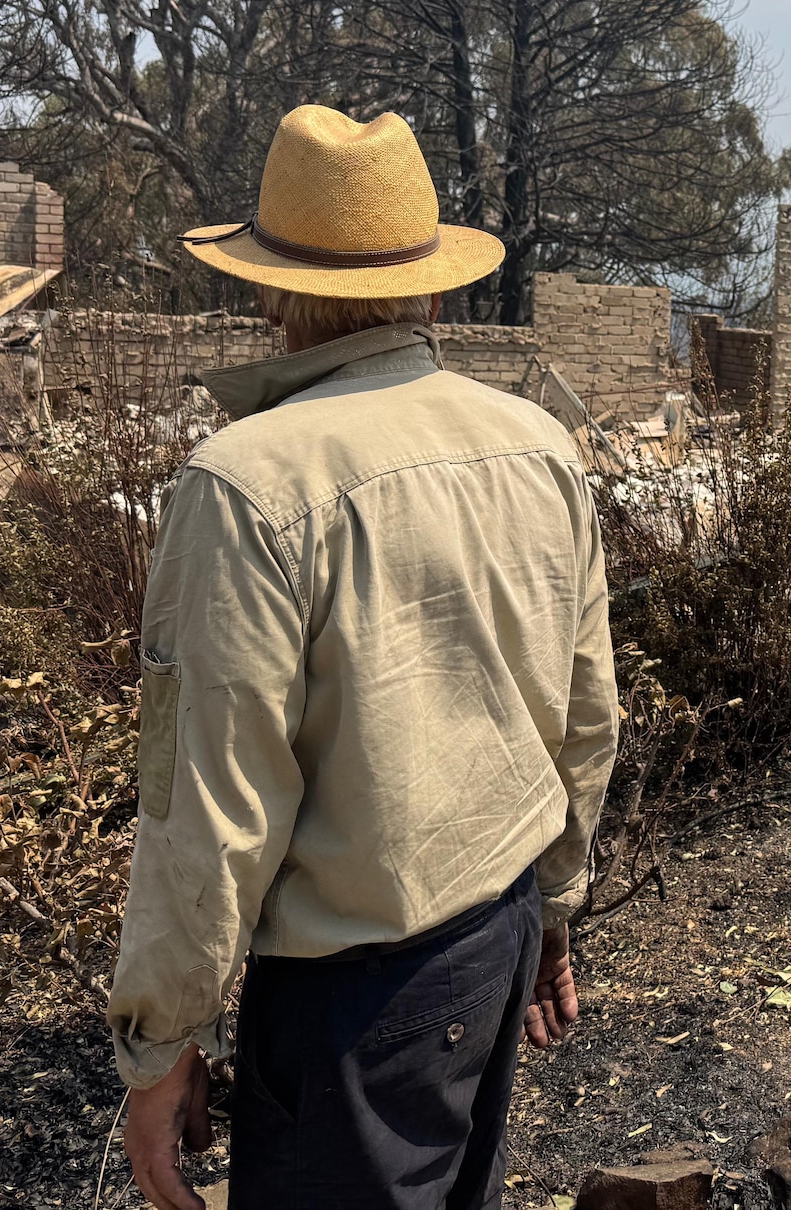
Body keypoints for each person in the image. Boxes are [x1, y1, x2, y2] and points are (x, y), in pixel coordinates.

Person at [104, 104, 618, 1210]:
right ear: (431, 287)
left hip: (353, 1005)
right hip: (496, 937)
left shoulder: (245, 483)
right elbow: (587, 721)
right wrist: (555, 914)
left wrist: (159, 1048)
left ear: (272, 292)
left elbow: (209, 808)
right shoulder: (538, 446)